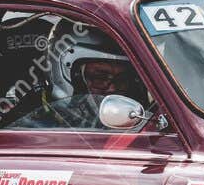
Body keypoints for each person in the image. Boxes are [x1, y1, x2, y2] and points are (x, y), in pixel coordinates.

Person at [8, 25, 149, 130]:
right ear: (67, 73)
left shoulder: (137, 116)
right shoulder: (30, 127)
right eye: (100, 77)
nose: (112, 88)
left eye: (122, 79)